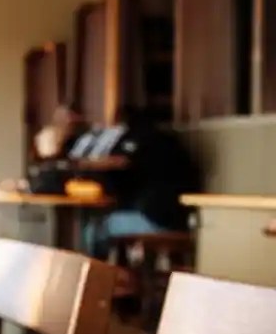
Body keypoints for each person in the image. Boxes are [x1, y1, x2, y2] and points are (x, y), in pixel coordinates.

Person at [79, 104, 200, 257]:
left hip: (158, 220)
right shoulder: (166, 142)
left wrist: (83, 164)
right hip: (177, 218)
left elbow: (120, 162)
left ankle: (96, 275)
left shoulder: (144, 140)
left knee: (96, 228)